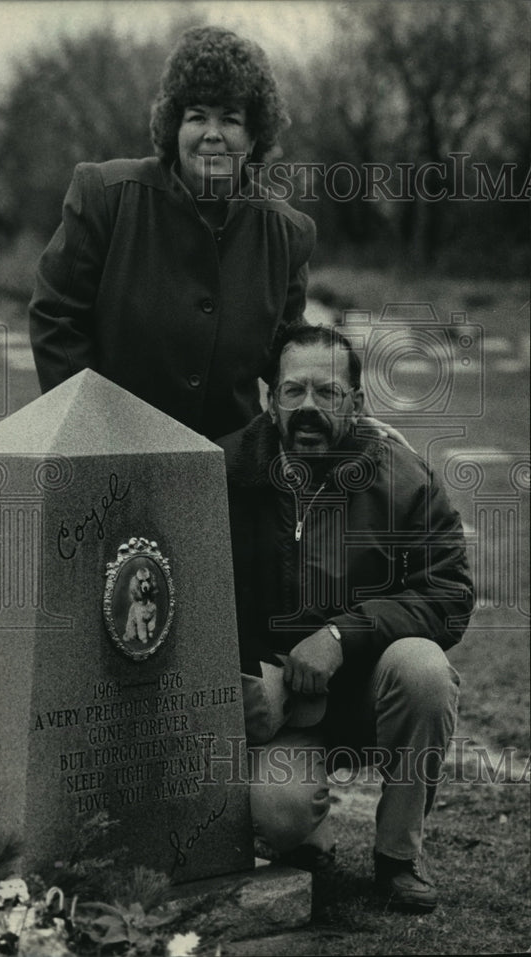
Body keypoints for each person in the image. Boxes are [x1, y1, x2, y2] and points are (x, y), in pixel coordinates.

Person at [218, 322, 475, 912]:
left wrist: (339, 636)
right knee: (277, 815)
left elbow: (448, 593)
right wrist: (254, 682)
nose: (308, 407)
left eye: (328, 393)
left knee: (425, 672)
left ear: (356, 402)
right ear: (269, 398)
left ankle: (399, 855)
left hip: (368, 690)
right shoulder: (224, 474)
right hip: (280, 709)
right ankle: (304, 829)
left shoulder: (404, 477)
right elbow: (197, 602)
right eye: (293, 391)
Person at [28, 26, 316, 441]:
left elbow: (290, 356)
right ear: (173, 127)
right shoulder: (106, 197)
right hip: (111, 457)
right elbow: (56, 316)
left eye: (230, 119)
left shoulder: (286, 233)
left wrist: (338, 403)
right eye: (197, 116)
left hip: (229, 466)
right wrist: (90, 432)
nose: (212, 133)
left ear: (254, 138)